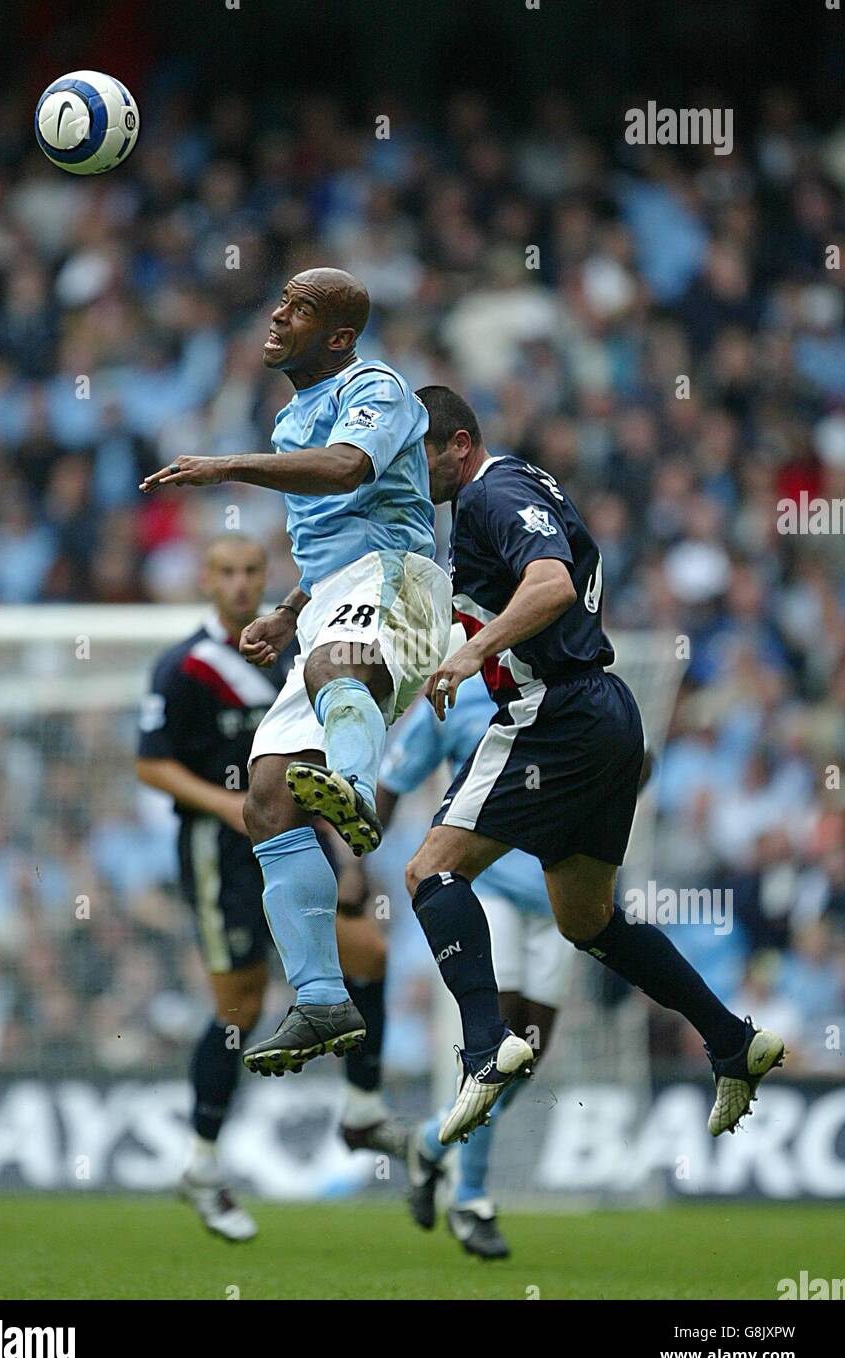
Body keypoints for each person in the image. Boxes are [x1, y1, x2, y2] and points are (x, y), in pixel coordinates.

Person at [403, 386, 785, 1145]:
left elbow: (549, 584)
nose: (413, 475)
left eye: (419, 456)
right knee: (586, 918)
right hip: (607, 716)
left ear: (456, 443)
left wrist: (472, 653)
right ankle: (731, 1040)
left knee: (428, 872)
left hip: (552, 714)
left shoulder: (491, 493)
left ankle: (484, 1045)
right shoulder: (519, 489)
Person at [141, 269, 452, 1078]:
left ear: (339, 336)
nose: (277, 315)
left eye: (299, 308)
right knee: (267, 795)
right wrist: (286, 605)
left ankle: (352, 785)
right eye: (279, 301)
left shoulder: (375, 386)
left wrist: (224, 467)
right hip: (330, 603)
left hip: (400, 582)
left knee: (333, 665)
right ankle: (320, 1000)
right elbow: (325, 541)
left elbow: (349, 469)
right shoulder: (289, 419)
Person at [137, 534, 405, 1242]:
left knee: (369, 953)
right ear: (206, 578)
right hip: (219, 851)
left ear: (265, 578)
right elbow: (151, 766)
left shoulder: (296, 653)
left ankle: (362, 1107)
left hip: (294, 838)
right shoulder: (185, 667)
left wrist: (344, 851)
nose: (238, 583)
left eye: (251, 571)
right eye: (225, 571)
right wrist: (227, 805)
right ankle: (200, 1160)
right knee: (241, 1007)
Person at [378, 669, 570, 1259]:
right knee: (500, 1039)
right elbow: (391, 783)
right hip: (484, 887)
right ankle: (471, 1198)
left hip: (562, 894)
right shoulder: (456, 691)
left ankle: (431, 1146)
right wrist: (348, 865)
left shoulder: (571, 682)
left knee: (526, 1058)